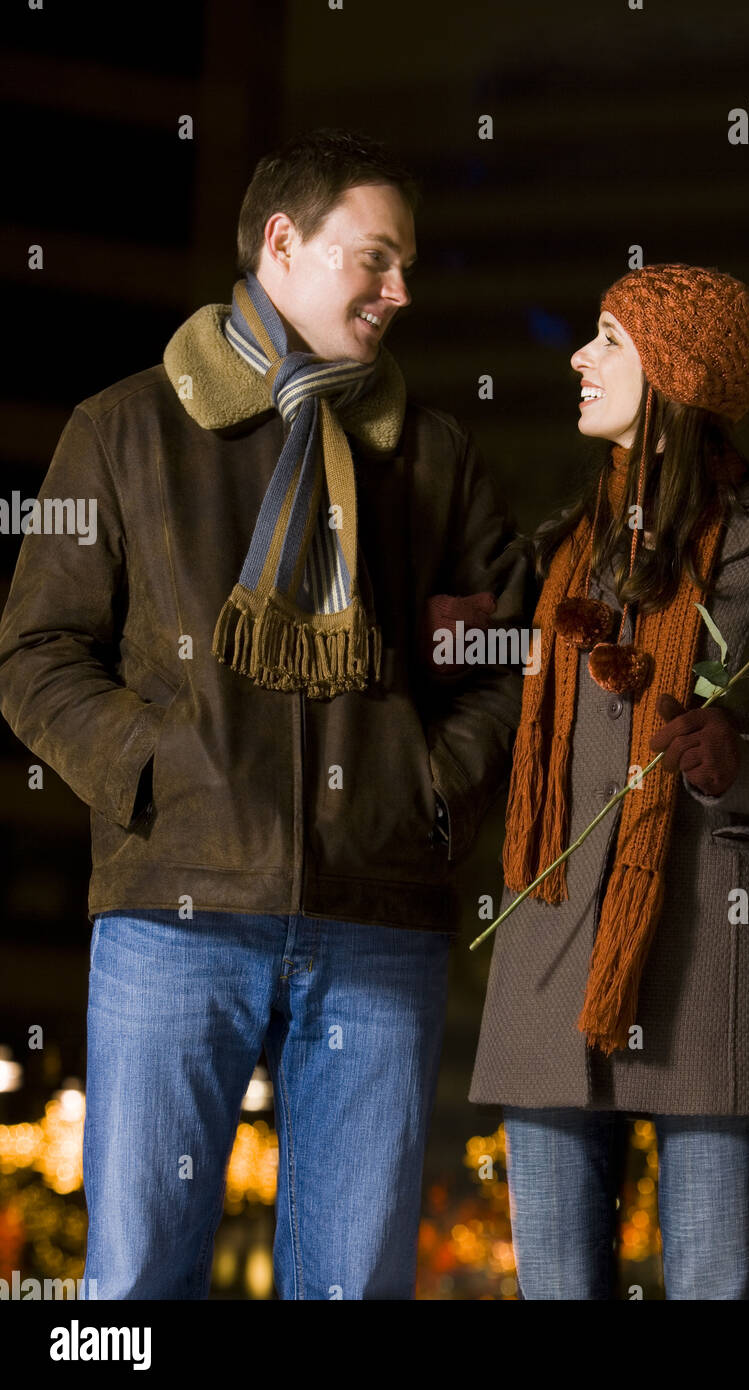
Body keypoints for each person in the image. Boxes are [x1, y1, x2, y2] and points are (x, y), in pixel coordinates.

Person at [0, 128, 528, 1300]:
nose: (399, 292)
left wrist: (431, 795)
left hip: (379, 921)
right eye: (375, 259)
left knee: (351, 1284)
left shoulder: (436, 457)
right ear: (282, 242)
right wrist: (153, 768)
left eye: (407, 266)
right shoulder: (125, 430)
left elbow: (509, 657)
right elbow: (35, 653)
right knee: (139, 1281)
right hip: (171, 914)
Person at [468, 263, 749, 1300]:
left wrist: (745, 765)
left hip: (707, 962)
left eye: (608, 338)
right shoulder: (562, 548)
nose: (580, 357)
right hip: (551, 959)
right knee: (559, 1287)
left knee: (709, 1282)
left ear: (676, 373)